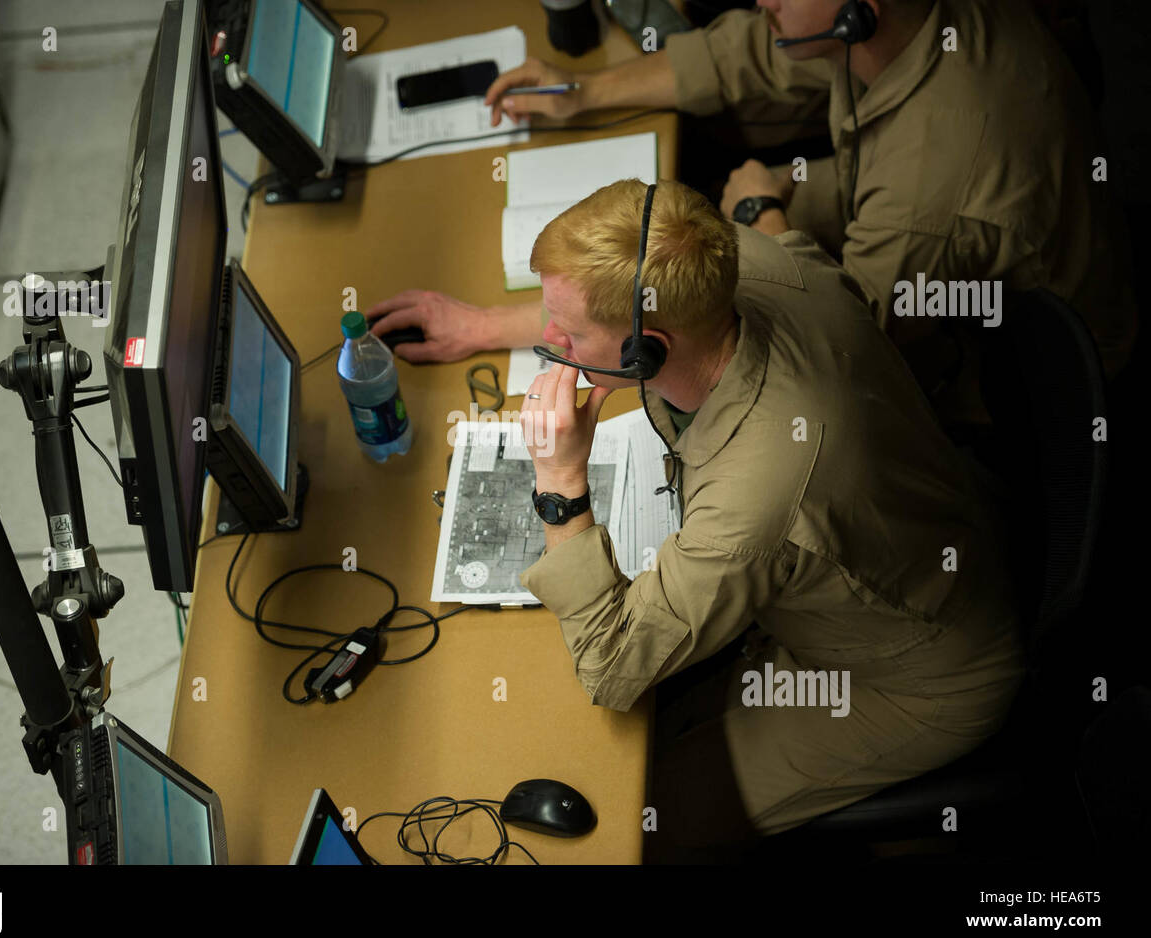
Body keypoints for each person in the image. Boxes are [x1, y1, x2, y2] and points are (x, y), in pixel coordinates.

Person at [376, 178, 1025, 856]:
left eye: (564, 334)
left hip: (915, 673)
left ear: (645, 350)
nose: (548, 339)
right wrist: (483, 324)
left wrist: (561, 483)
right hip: (928, 527)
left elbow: (612, 664)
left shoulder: (755, 500)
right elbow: (594, 301)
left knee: (636, 821)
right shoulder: (732, 264)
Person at [471, 0, 1136, 424]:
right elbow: (752, 55)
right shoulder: (892, 27)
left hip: (1011, 370)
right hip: (895, 214)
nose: (764, 0)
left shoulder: (932, 183)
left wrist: (764, 217)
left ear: (860, 11)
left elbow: (845, 347)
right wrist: (580, 91)